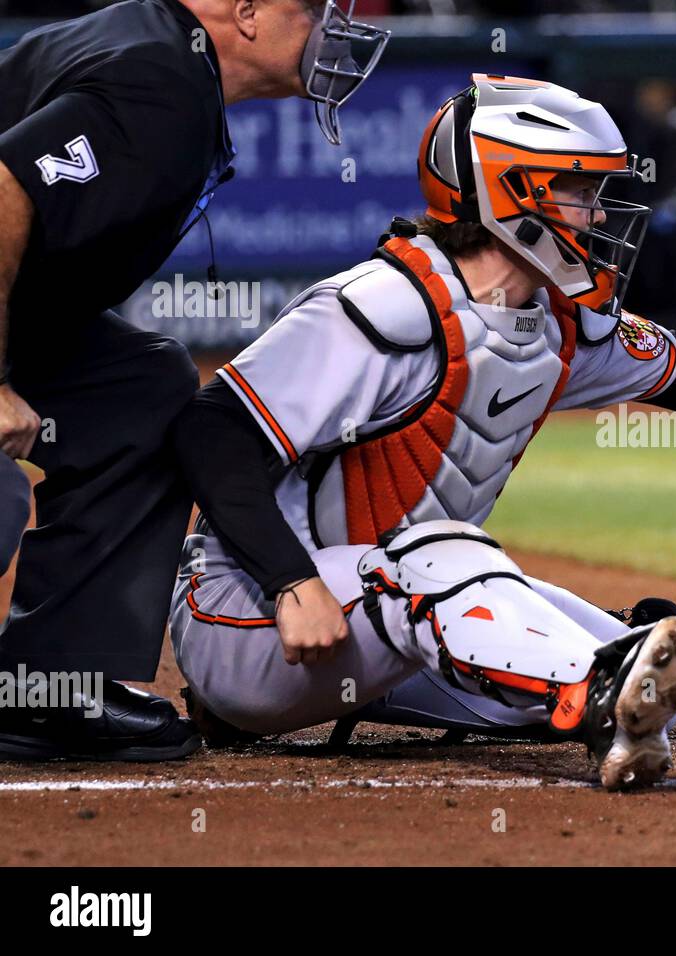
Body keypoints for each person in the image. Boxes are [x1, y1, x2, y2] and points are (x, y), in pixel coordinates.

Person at [167, 74, 676, 789]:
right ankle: (585, 693)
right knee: (454, 560)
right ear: (508, 192)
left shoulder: (552, 324)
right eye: (578, 191)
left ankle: (594, 696)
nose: (599, 213)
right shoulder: (382, 307)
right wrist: (289, 584)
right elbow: (212, 432)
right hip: (247, 619)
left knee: (615, 656)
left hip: (373, 618)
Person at [0, 0, 388, 761]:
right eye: (311, 11)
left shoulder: (158, 50)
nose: (328, 29)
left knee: (141, 390)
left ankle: (46, 686)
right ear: (246, 13)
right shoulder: (160, 81)